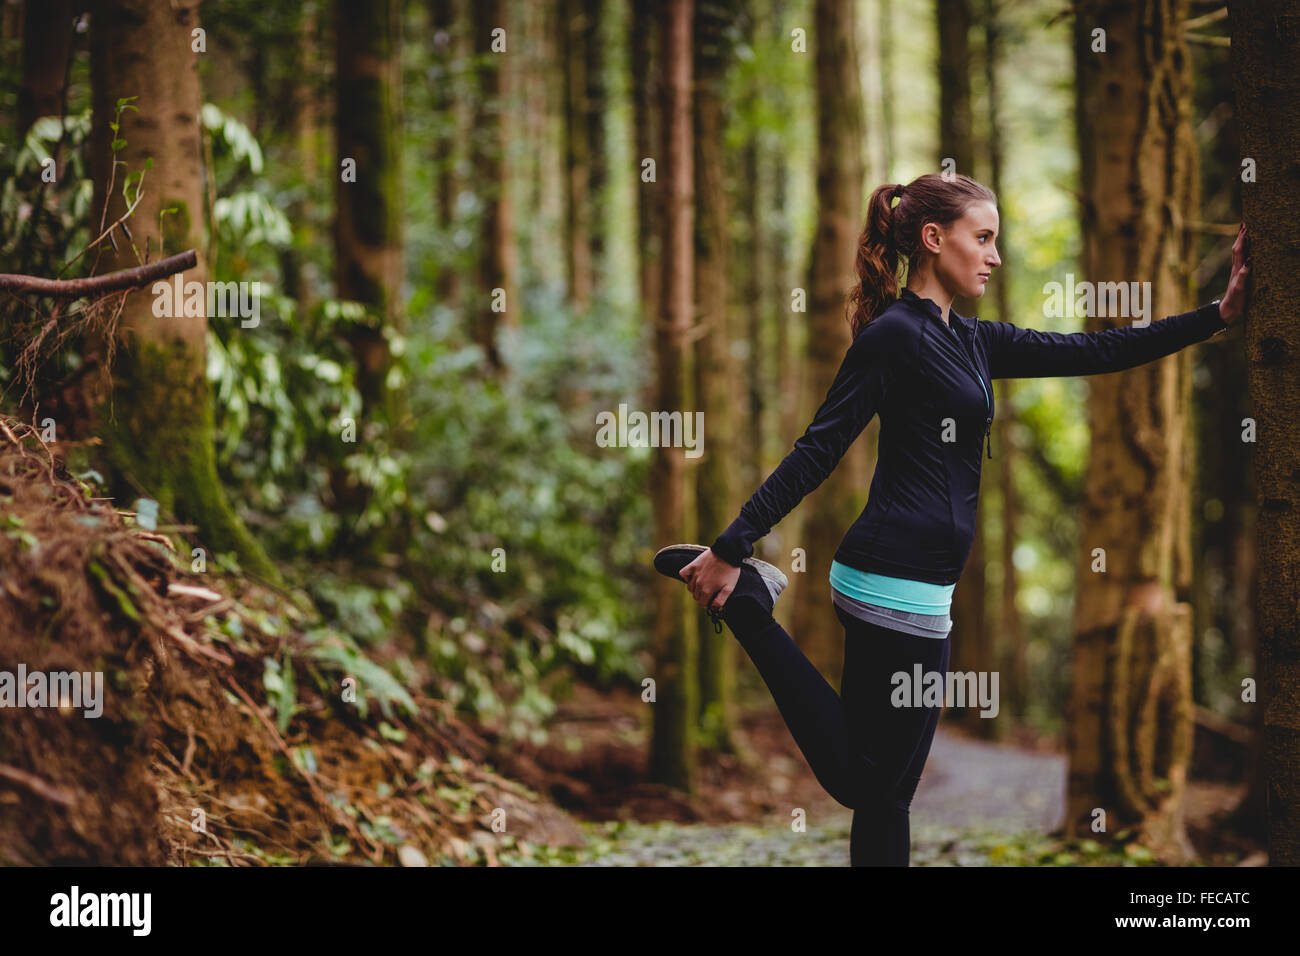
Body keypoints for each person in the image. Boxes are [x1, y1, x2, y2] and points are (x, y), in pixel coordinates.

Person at [654, 171, 1252, 866]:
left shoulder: (973, 340)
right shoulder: (894, 336)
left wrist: (1219, 314)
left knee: (887, 795)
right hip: (885, 575)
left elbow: (1099, 352)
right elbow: (820, 447)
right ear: (934, 240)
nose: (995, 255)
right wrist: (733, 543)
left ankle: (753, 600)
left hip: (929, 588)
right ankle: (752, 606)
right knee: (867, 785)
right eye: (985, 237)